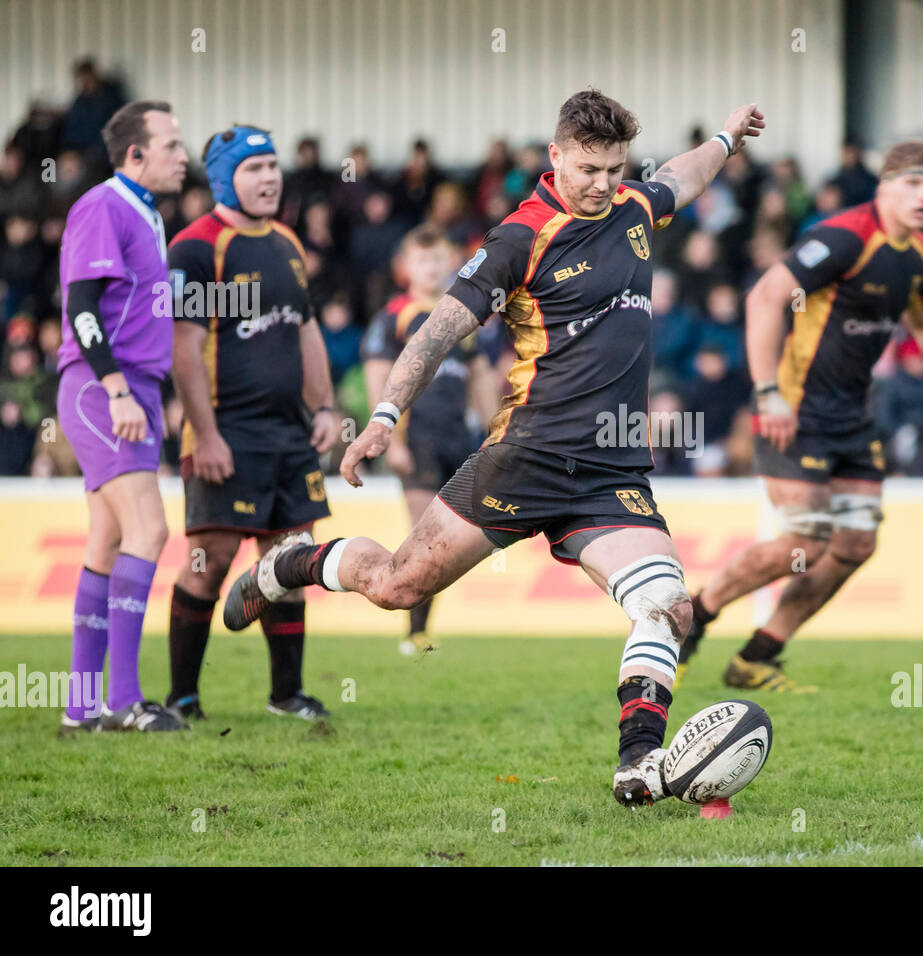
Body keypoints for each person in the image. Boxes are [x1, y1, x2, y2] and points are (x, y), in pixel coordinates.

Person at [222, 90, 764, 807]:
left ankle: (638, 763)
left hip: (611, 471)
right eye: (589, 168)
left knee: (668, 604)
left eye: (616, 168)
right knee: (395, 586)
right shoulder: (520, 238)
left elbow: (685, 177)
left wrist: (725, 139)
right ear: (556, 156)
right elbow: (440, 330)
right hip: (526, 456)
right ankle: (295, 563)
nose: (603, 183)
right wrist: (385, 413)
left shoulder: (635, 206)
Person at [677, 142, 923, 690]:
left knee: (855, 544)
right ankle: (693, 617)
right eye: (913, 185)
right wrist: (768, 390)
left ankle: (758, 655)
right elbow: (764, 298)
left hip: (851, 415)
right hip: (794, 409)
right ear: (885, 187)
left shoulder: (916, 253)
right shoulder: (844, 236)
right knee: (805, 541)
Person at [164, 126, 337, 721]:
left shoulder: (288, 241)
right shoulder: (194, 247)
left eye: (273, 165)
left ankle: (285, 696)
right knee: (209, 563)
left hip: (290, 434)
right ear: (223, 179)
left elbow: (305, 327)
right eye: (253, 167)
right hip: (226, 435)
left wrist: (324, 408)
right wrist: (206, 434)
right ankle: (183, 697)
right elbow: (183, 348)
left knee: (288, 562)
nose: (269, 177)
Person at [55, 101, 189, 733]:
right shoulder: (104, 206)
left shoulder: (145, 213)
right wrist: (114, 387)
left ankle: (83, 704)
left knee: (107, 541)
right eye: (171, 144)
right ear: (135, 155)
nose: (182, 154)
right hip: (102, 389)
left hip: (128, 387)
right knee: (150, 531)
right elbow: (81, 307)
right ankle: (124, 701)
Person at [361, 224, 500, 655]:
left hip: (457, 438)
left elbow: (477, 375)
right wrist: (391, 439)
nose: (432, 267)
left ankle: (421, 629)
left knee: (447, 540)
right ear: (406, 267)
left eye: (439, 259)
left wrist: (496, 428)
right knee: (424, 536)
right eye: (423, 260)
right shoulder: (396, 316)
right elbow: (377, 374)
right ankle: (414, 631)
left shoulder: (461, 314)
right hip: (416, 438)